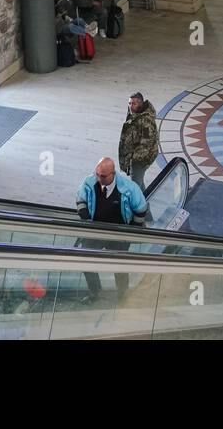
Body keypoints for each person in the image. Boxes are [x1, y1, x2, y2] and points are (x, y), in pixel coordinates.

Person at [75, 157, 149, 303]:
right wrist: (84, 215)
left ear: (113, 174)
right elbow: (80, 198)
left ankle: (122, 296)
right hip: (96, 231)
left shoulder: (129, 188)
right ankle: (95, 292)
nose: (98, 178)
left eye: (102, 176)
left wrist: (134, 229)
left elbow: (141, 208)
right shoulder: (89, 181)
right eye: (97, 174)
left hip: (119, 233)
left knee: (119, 266)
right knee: (85, 261)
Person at [118, 93, 159, 190]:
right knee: (138, 182)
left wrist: (133, 159)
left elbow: (146, 145)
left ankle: (141, 203)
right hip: (136, 155)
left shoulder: (146, 121)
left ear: (140, 104)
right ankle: (144, 198)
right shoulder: (134, 114)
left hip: (142, 159)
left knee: (135, 186)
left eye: (134, 104)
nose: (130, 106)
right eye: (129, 103)